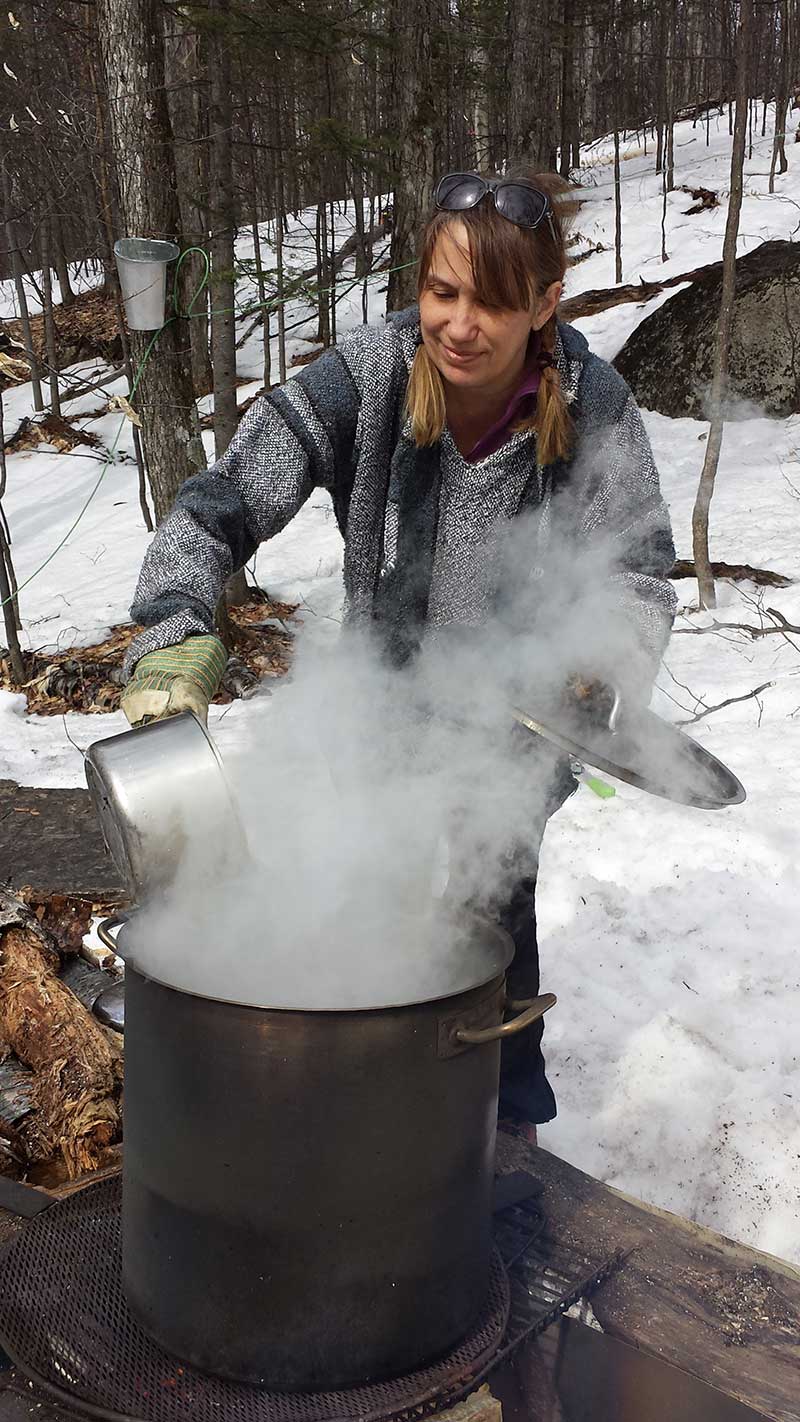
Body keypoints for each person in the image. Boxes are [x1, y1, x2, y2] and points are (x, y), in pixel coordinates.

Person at [121, 170, 676, 1139]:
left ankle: (506, 1139)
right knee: (366, 920)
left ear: (543, 306)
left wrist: (595, 669)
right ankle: (363, 1132)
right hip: (377, 718)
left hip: (513, 733)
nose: (458, 326)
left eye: (494, 302)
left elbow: (636, 572)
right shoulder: (368, 378)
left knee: (490, 923)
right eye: (441, 292)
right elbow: (222, 500)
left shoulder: (594, 408)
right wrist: (172, 626)